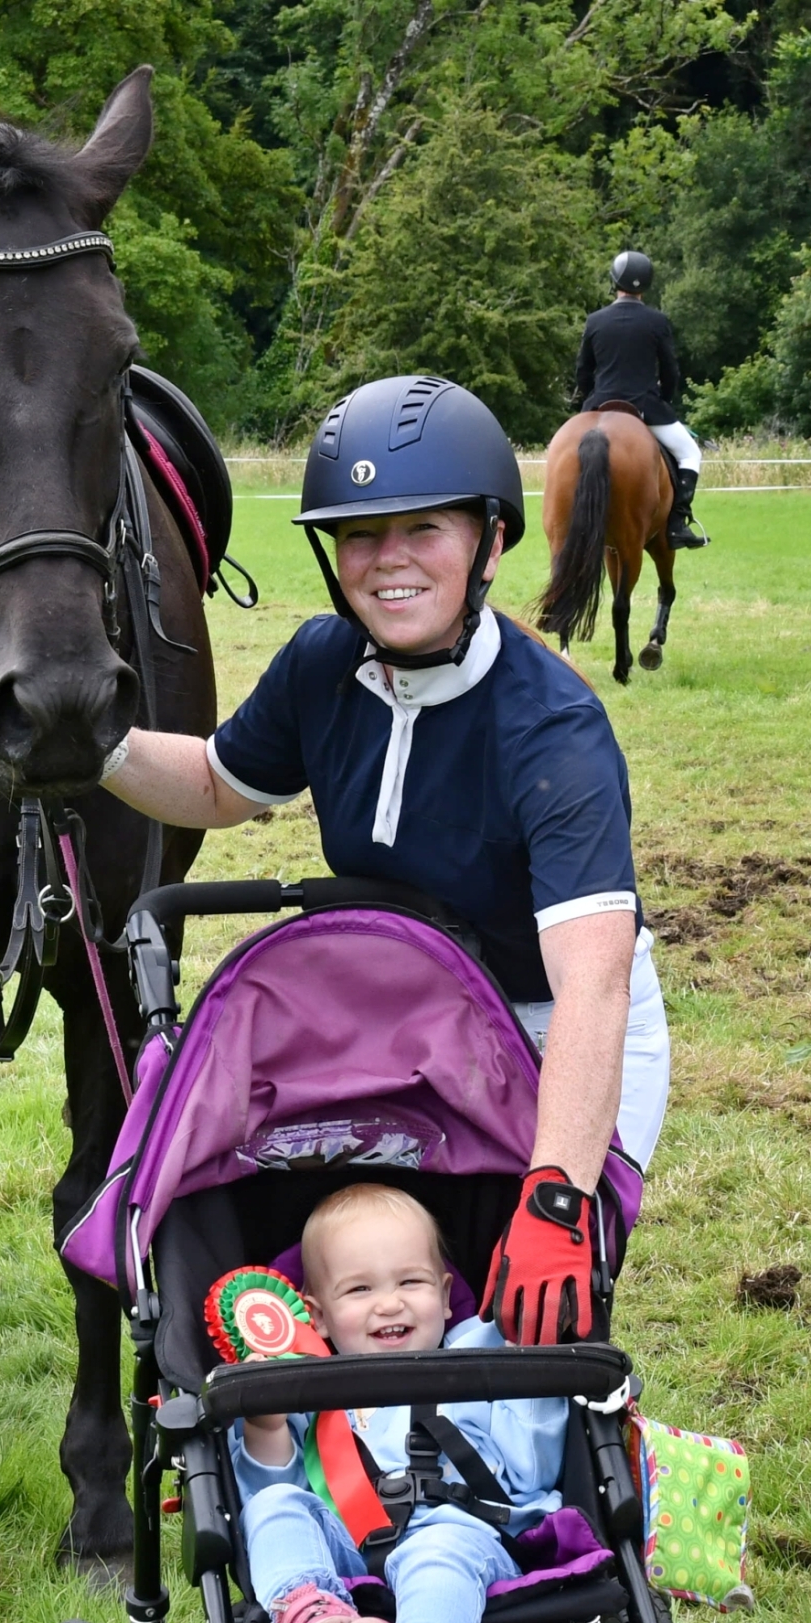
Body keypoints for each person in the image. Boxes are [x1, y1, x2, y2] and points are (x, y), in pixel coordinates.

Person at [101, 373, 670, 1347]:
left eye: (424, 531)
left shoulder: (553, 731)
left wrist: (557, 1197)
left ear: (489, 541)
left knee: (517, 1315)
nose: (386, 561)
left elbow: (593, 982)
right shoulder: (322, 665)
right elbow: (209, 787)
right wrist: (92, 744)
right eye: (360, 535)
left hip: (543, 1023)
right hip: (399, 1016)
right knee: (366, 1270)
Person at [230, 1185, 568, 1623]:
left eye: (409, 1283)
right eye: (360, 1289)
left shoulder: (483, 1355)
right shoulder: (311, 1388)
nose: (389, 1304)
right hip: (347, 1548)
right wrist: (265, 1426)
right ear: (318, 1315)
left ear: (442, 1294)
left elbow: (530, 1468)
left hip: (462, 1528)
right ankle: (314, 1622)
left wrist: (533, 1358)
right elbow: (269, 1494)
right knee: (273, 1509)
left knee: (439, 1554)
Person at [575, 252, 707, 550]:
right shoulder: (657, 321)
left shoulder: (595, 320)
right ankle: (676, 524)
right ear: (645, 285)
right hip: (646, 408)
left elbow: (583, 370)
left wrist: (589, 402)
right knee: (690, 454)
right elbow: (671, 369)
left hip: (599, 405)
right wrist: (665, 400)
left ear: (614, 281)